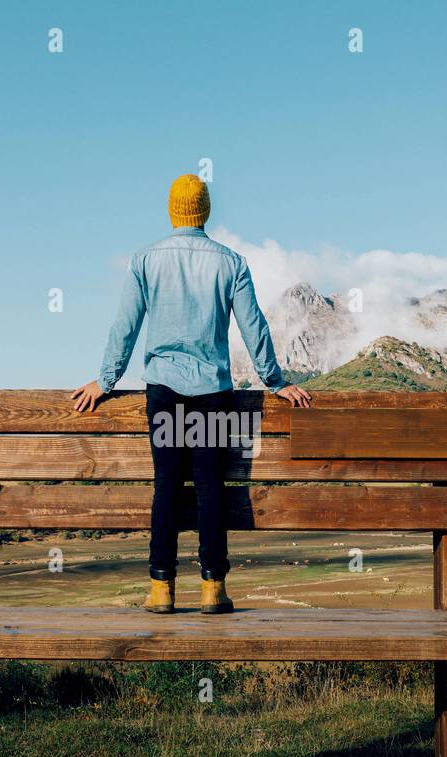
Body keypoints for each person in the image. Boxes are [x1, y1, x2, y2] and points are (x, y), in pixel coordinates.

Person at [71, 174, 311, 613]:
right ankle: (213, 589)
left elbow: (124, 326)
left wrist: (105, 380)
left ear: (172, 210)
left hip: (163, 391)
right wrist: (275, 381)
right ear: (205, 211)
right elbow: (253, 326)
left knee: (166, 487)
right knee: (209, 489)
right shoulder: (231, 263)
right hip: (212, 394)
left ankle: (160, 589)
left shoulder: (145, 260)